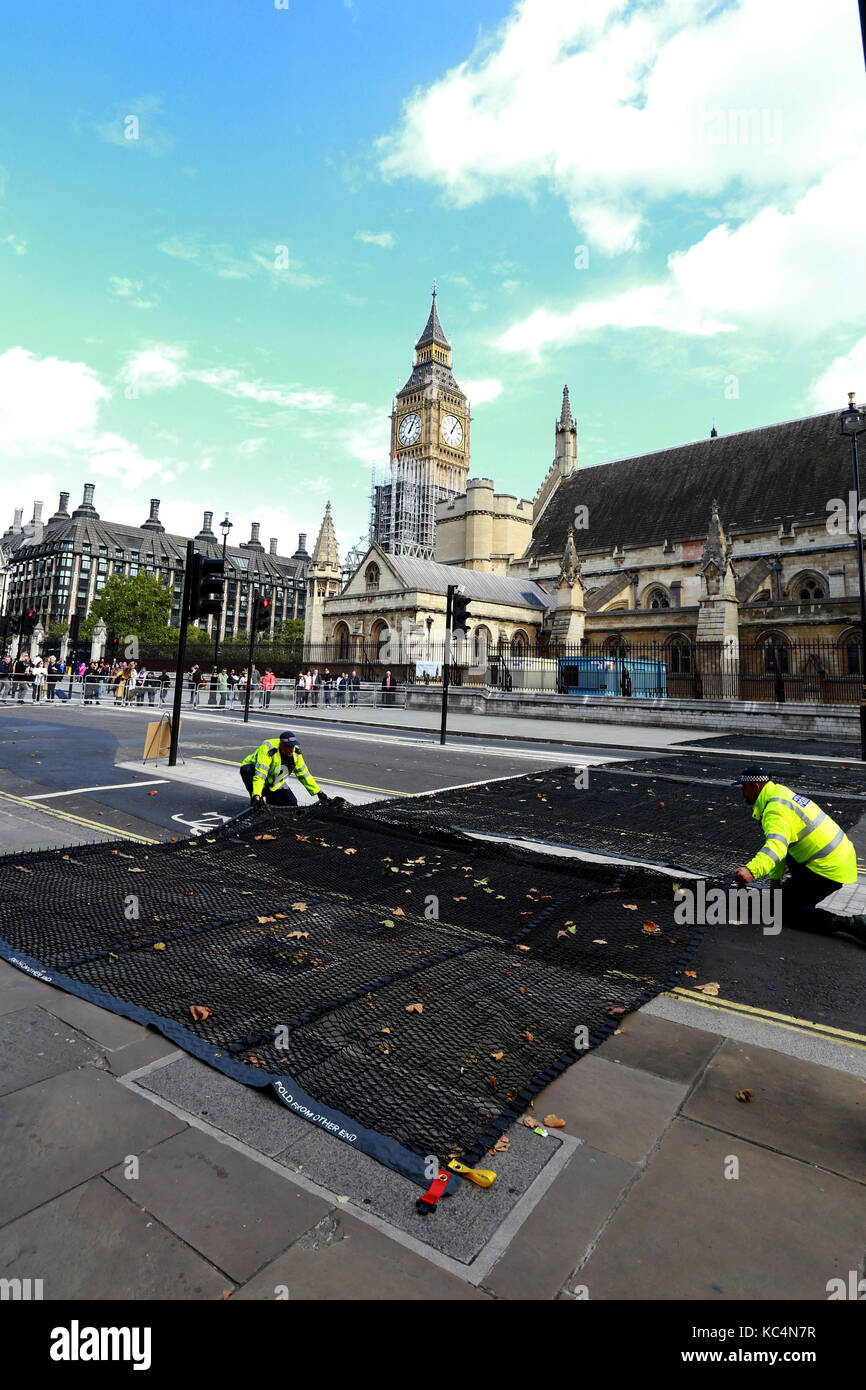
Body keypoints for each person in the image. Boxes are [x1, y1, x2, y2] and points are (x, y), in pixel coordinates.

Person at [732, 765, 866, 945]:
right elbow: (783, 848)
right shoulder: (779, 793)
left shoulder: (775, 810)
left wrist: (751, 871)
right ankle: (799, 898)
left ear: (756, 787)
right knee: (782, 901)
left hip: (828, 868)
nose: (742, 792)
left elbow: (776, 847)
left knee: (783, 912)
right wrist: (775, 882)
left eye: (744, 788)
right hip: (834, 857)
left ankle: (851, 924)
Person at [240, 730, 330, 808]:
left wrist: (318, 792)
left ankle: (270, 797)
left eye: (293, 746)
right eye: (289, 746)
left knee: (292, 804)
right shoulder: (268, 749)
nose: (292, 749)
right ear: (281, 744)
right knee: (247, 770)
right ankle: (256, 801)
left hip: (275, 780)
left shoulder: (296, 754)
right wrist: (256, 795)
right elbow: (260, 775)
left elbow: (304, 775)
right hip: (253, 771)